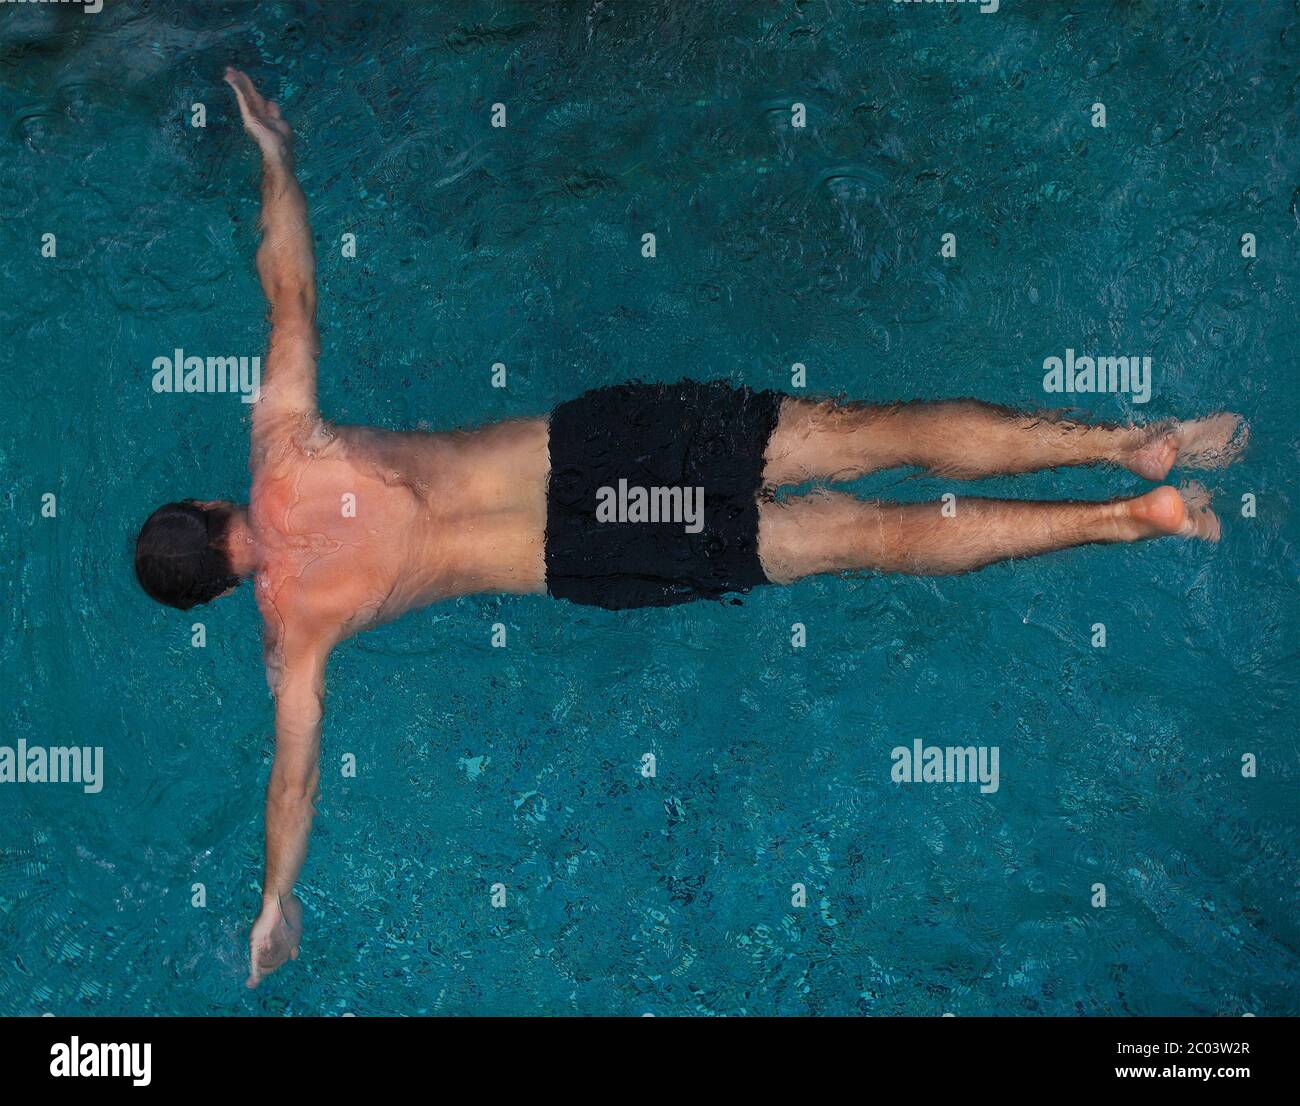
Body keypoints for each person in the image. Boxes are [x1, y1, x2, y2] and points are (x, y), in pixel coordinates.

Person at [132, 70, 1246, 987]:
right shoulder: (282, 451)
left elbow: (297, 778)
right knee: (871, 432)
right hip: (599, 452)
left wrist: (276, 895)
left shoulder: (296, 634)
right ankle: (1128, 440)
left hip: (599, 552)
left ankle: (1123, 518)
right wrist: (275, 155)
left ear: (216, 593)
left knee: (860, 535)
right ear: (207, 506)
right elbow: (292, 294)